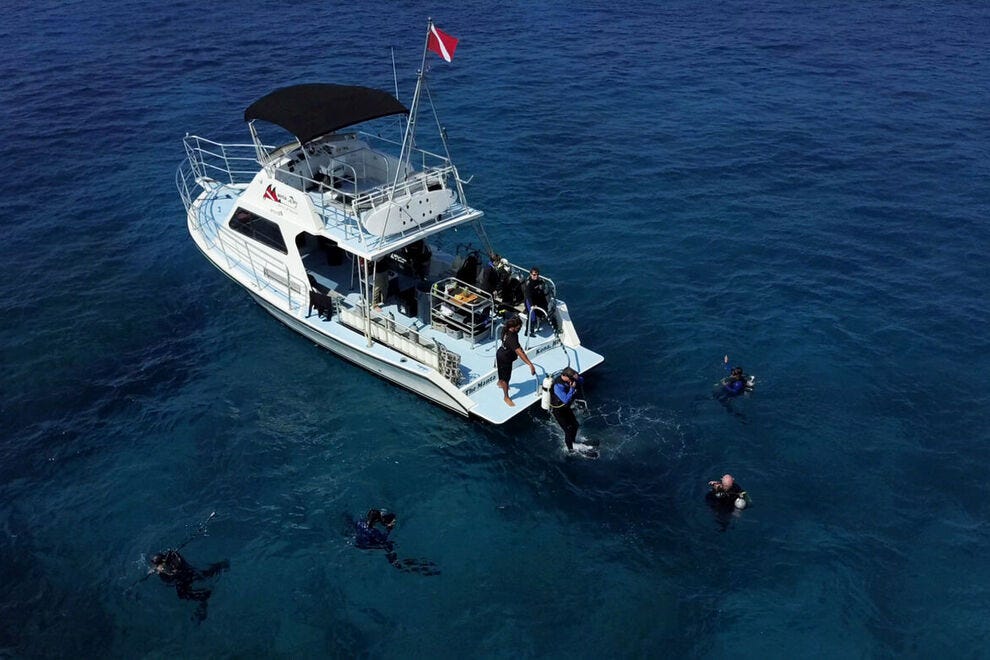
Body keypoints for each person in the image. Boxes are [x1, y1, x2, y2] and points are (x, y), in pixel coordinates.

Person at [149, 549, 229, 622]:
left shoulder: (170, 566)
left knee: (182, 594)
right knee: (205, 574)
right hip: (191, 572)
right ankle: (220, 565)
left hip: (185, 579)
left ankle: (204, 598)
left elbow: (169, 580)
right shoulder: (174, 557)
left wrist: (160, 572)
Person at [352, 509, 439, 576]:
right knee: (389, 546)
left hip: (359, 544)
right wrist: (389, 529)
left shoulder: (360, 522)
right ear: (376, 520)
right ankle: (398, 564)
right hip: (368, 547)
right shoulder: (374, 532)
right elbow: (383, 539)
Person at [496, 316, 536, 407]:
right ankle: (506, 397)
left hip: (500, 353)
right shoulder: (512, 337)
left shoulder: (505, 329)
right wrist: (530, 364)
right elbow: (519, 352)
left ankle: (500, 382)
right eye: (518, 328)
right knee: (506, 379)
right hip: (505, 359)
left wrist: (519, 348)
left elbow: (516, 345)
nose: (520, 329)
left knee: (501, 372)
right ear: (513, 327)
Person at [549, 367, 584, 452]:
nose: (571, 380)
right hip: (558, 411)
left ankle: (573, 442)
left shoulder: (570, 378)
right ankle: (570, 450)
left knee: (575, 425)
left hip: (566, 408)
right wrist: (572, 388)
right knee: (567, 430)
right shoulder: (558, 386)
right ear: (564, 376)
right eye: (570, 378)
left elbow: (582, 381)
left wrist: (577, 378)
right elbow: (565, 399)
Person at [524, 267, 553, 335]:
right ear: (531, 274)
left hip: (536, 300)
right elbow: (528, 296)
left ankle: (534, 327)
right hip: (529, 301)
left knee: (544, 310)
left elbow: (543, 287)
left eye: (537, 274)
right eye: (534, 275)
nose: (536, 276)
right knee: (532, 317)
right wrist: (531, 305)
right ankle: (528, 331)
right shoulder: (529, 284)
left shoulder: (539, 281)